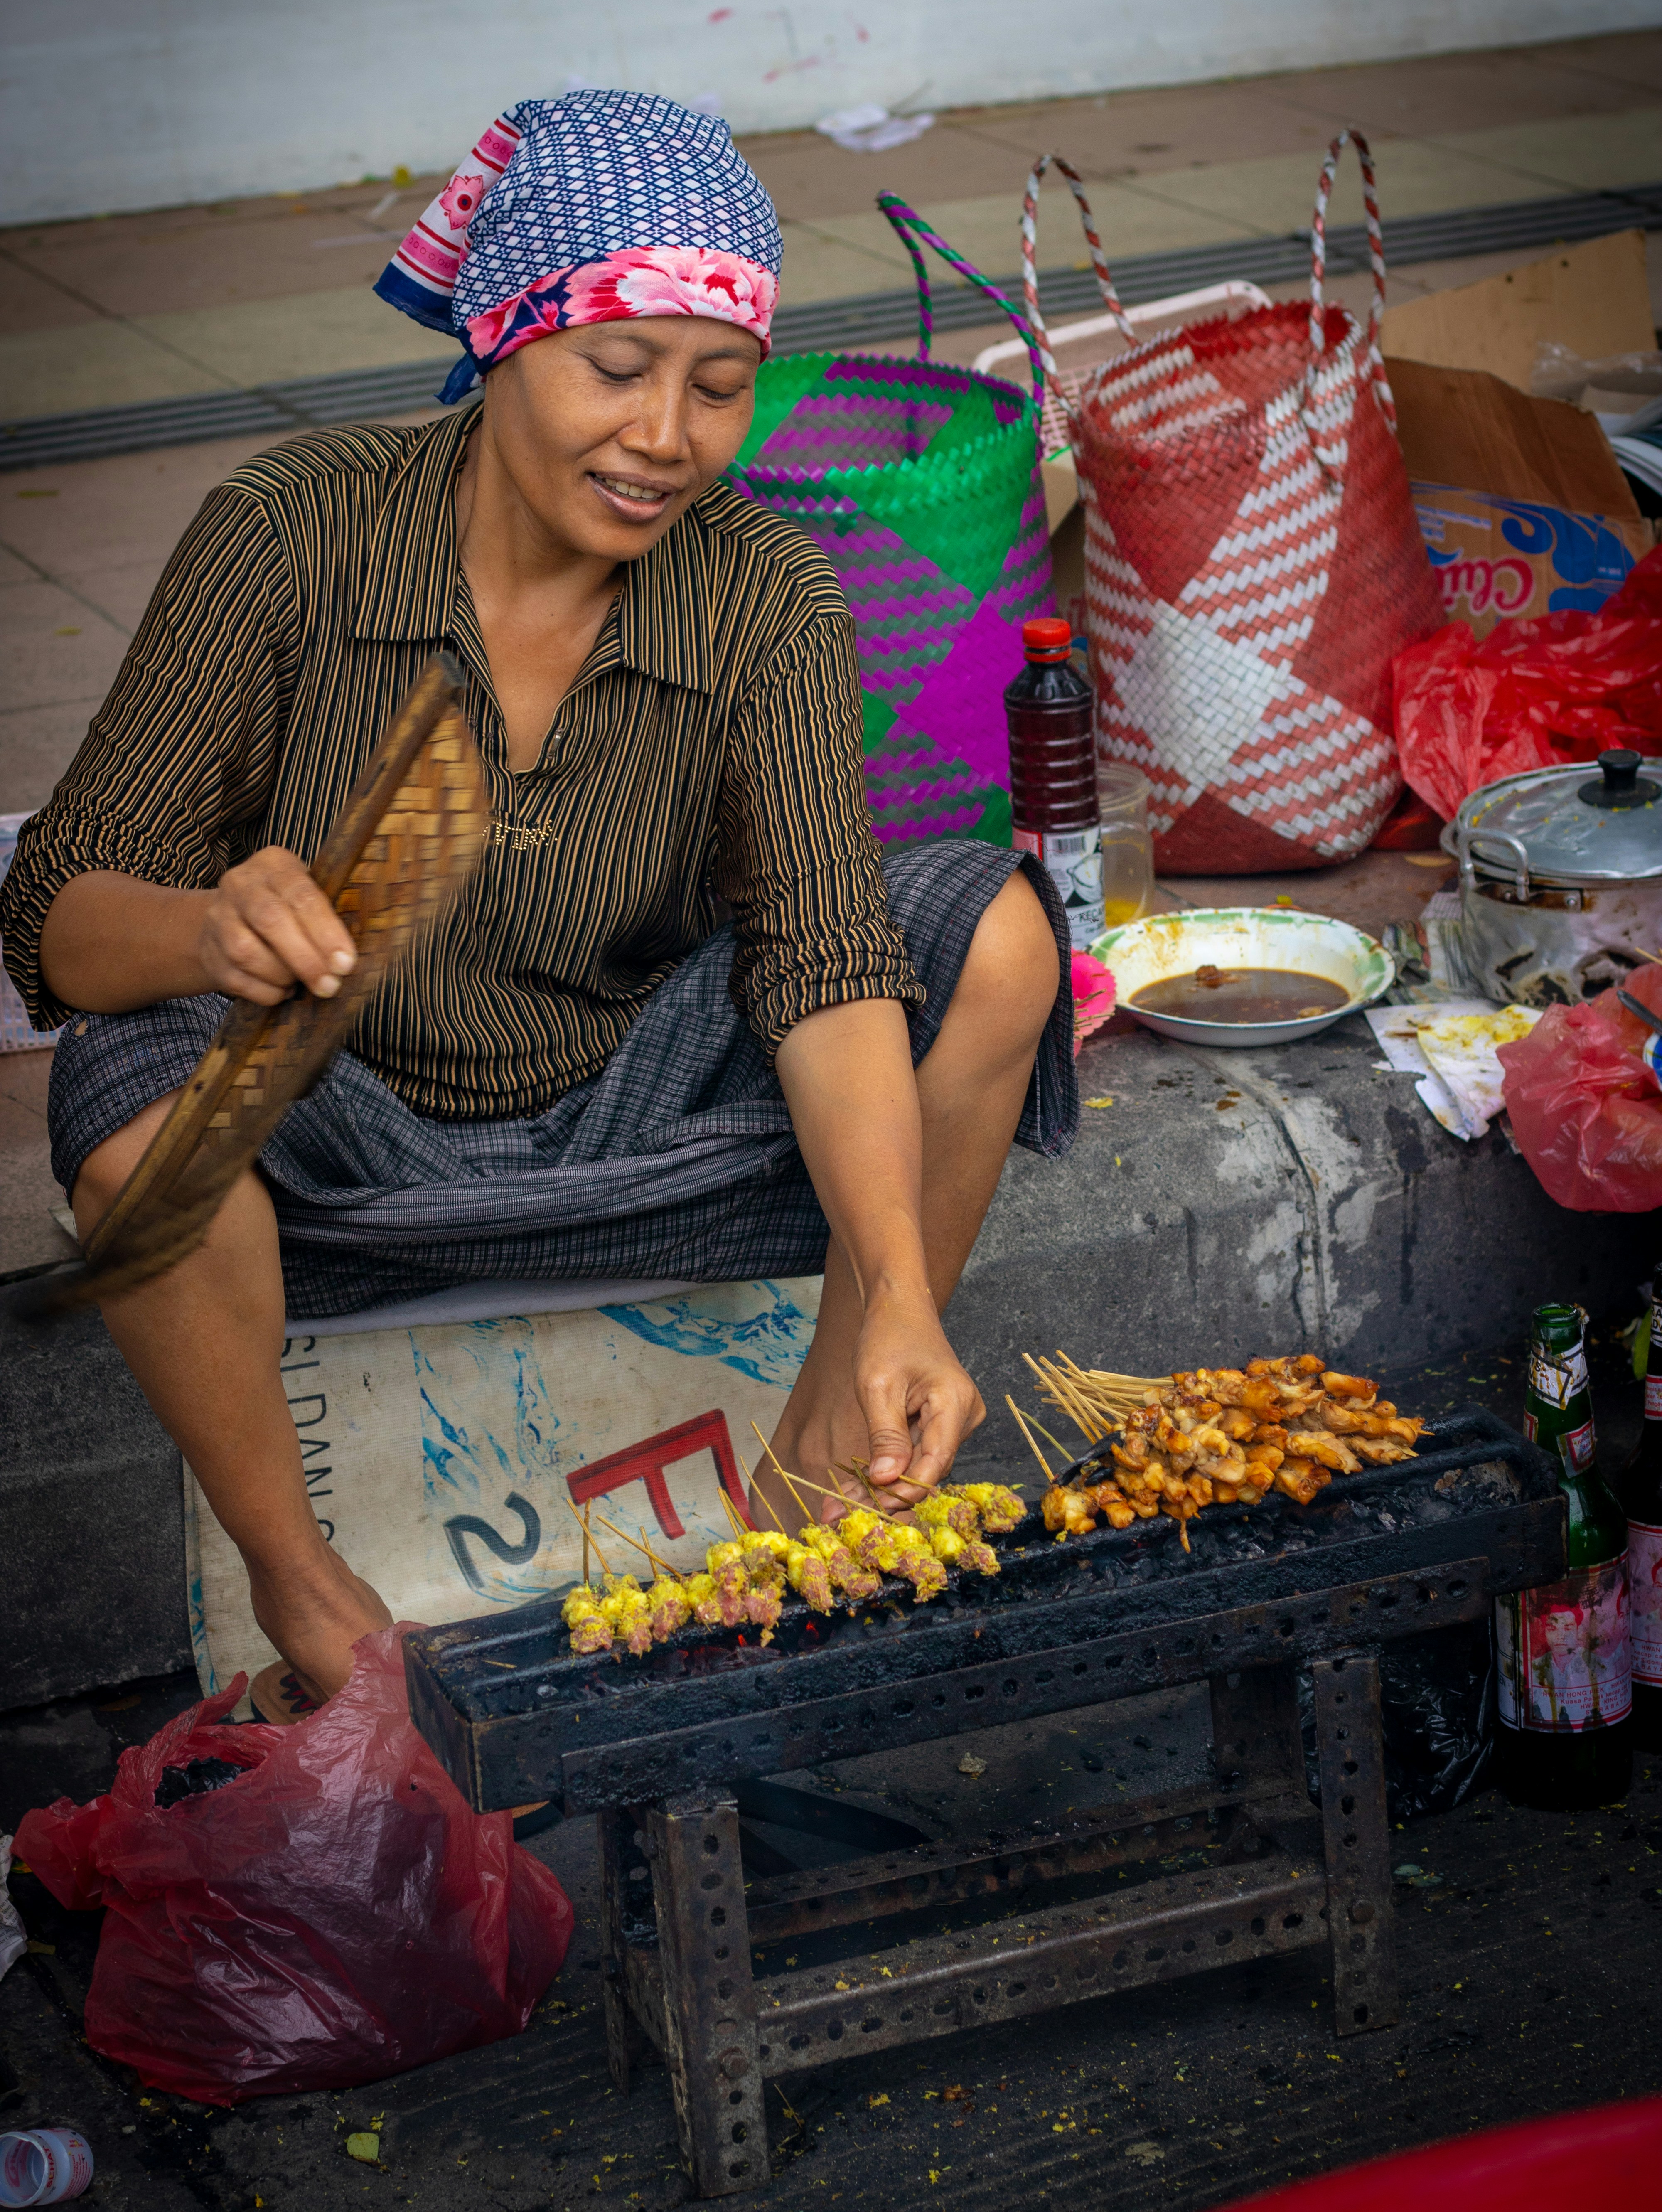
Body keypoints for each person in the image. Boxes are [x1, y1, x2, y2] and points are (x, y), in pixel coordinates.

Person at [0, 91, 1075, 1724]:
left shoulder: (760, 588)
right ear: (501, 336)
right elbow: (51, 919)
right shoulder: (287, 536)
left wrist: (905, 1295)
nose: (669, 438)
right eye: (616, 370)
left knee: (991, 936)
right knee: (137, 1101)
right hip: (341, 1151)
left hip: (636, 1125)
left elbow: (822, 959)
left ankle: (804, 1489)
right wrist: (209, 929)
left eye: (720, 389)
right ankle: (308, 1585)